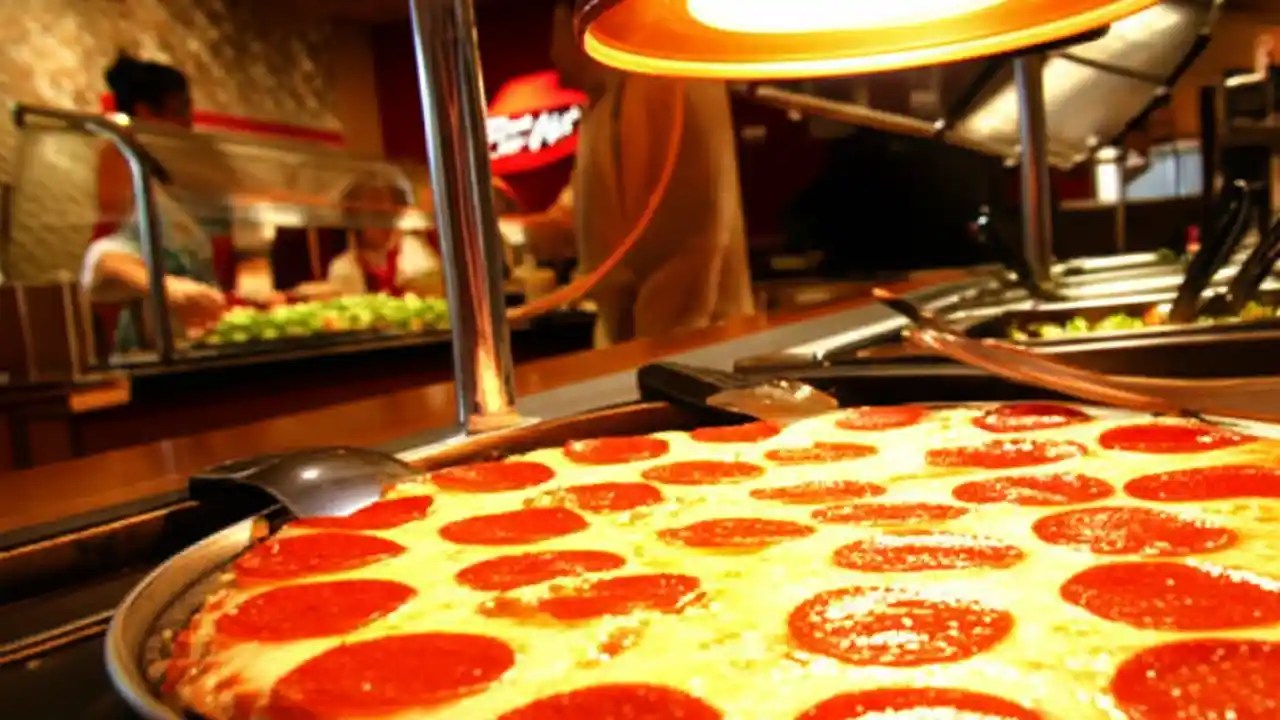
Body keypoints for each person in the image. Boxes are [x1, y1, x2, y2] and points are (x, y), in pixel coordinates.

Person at [510, 0, 755, 347]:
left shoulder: (662, 78)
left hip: (688, 354)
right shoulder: (602, 104)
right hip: (631, 352)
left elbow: (683, 257)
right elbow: (580, 221)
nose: (552, 54)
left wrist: (652, 365)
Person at [81, 53, 227, 350]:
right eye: (180, 109)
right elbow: (106, 257)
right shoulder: (120, 157)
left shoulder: (179, 165)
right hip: (150, 339)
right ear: (144, 111)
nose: (188, 121)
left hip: (198, 335)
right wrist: (168, 288)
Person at [325, 177, 444, 297]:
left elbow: (434, 290)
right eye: (371, 214)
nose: (378, 224)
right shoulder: (343, 267)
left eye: (383, 213)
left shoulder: (414, 251)